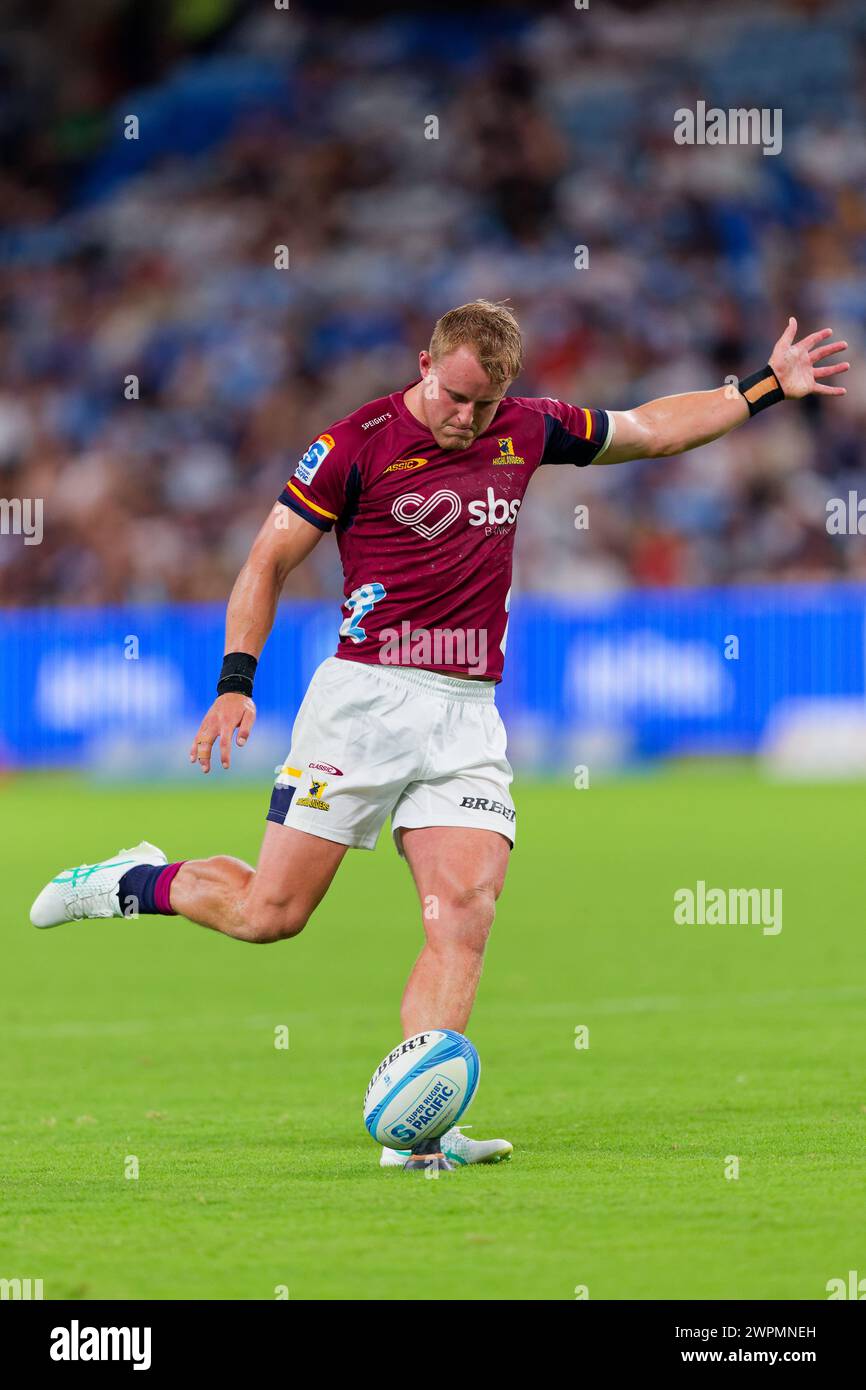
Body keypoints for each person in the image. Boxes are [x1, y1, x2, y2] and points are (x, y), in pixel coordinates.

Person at [30, 300, 848, 1169]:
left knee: (464, 911)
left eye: (485, 405)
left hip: (467, 713)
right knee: (271, 915)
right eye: (455, 396)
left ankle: (420, 1130)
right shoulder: (353, 444)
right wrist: (237, 681)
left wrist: (763, 388)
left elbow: (649, 430)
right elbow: (266, 560)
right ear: (426, 362)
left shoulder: (528, 429)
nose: (467, 418)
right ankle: (131, 880)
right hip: (364, 703)